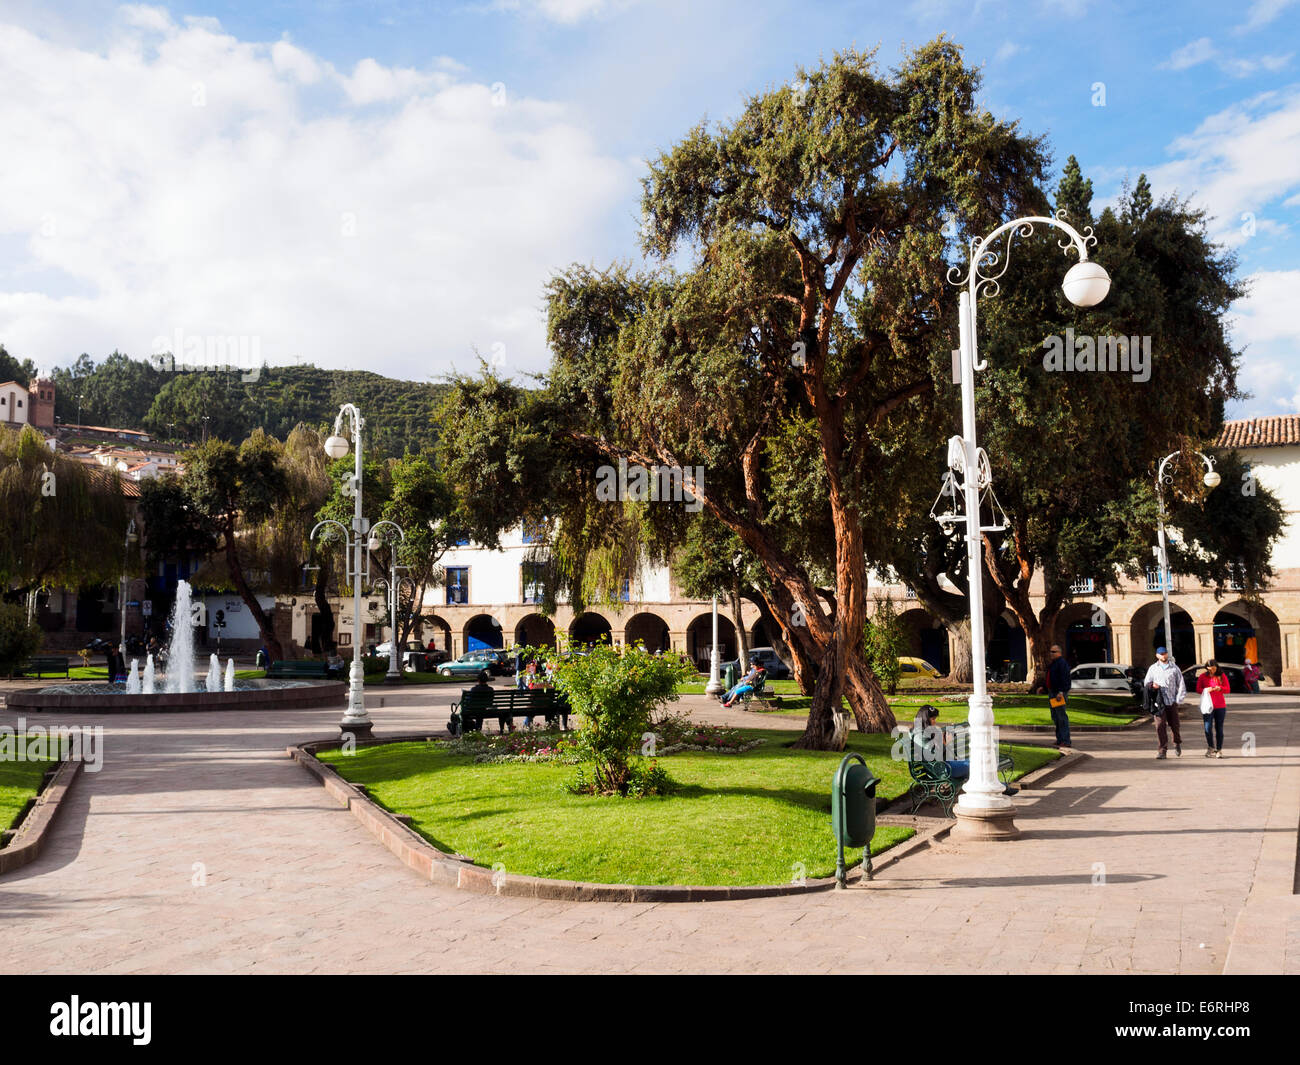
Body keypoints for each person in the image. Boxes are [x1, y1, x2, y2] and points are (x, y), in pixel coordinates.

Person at [1143, 646, 1187, 759]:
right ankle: (1162, 750)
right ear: (1157, 655)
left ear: (1167, 654)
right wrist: (1152, 686)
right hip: (1159, 703)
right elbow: (1146, 683)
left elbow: (1181, 684)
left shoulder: (1174, 668)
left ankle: (1177, 742)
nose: (1163, 655)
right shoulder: (1153, 668)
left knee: (1175, 726)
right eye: (1161, 654)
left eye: (1165, 653)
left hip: (1171, 702)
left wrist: (1178, 699)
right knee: (1160, 726)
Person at [912, 705, 969, 779]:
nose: (935, 722)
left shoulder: (925, 732)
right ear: (925, 720)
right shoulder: (919, 736)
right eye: (933, 719)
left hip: (946, 765)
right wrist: (946, 743)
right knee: (977, 764)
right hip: (943, 770)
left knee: (978, 761)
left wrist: (942, 739)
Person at [1197, 660, 1229, 758]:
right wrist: (1207, 689)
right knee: (1207, 727)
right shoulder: (1202, 676)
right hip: (1208, 706)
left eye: (1214, 669)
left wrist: (1220, 688)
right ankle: (1210, 747)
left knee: (1219, 728)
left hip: (1220, 706)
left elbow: (1228, 689)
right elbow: (1198, 689)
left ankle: (1219, 750)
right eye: (1210, 669)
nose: (1212, 671)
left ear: (1217, 667)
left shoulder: (1222, 675)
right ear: (1206, 668)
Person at [1047, 644, 1072, 751]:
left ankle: (1066, 740)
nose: (1051, 654)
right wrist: (1043, 688)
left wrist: (1061, 692)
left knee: (1061, 717)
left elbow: (1065, 679)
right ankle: (1060, 739)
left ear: (1059, 653)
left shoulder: (1062, 664)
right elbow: (1052, 678)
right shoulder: (1054, 664)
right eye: (1051, 651)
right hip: (1053, 692)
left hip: (1058, 694)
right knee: (1056, 717)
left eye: (1054, 652)